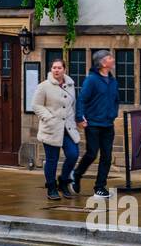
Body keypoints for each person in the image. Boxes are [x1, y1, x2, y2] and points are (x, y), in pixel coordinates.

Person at [68, 49, 120, 199]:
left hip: (108, 124)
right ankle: (76, 175)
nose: (113, 60)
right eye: (110, 58)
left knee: (107, 156)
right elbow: (82, 99)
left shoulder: (113, 80)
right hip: (93, 123)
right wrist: (79, 117)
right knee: (92, 153)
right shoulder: (91, 80)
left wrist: (113, 114)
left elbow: (116, 99)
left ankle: (100, 187)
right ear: (103, 63)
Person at [31, 58, 82, 200]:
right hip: (52, 128)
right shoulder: (44, 86)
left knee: (73, 154)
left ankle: (63, 181)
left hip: (68, 129)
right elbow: (36, 105)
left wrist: (77, 119)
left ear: (64, 69)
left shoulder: (70, 84)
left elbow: (72, 105)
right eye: (54, 68)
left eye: (59, 68)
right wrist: (49, 118)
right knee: (52, 159)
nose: (57, 70)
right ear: (51, 69)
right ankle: (51, 187)